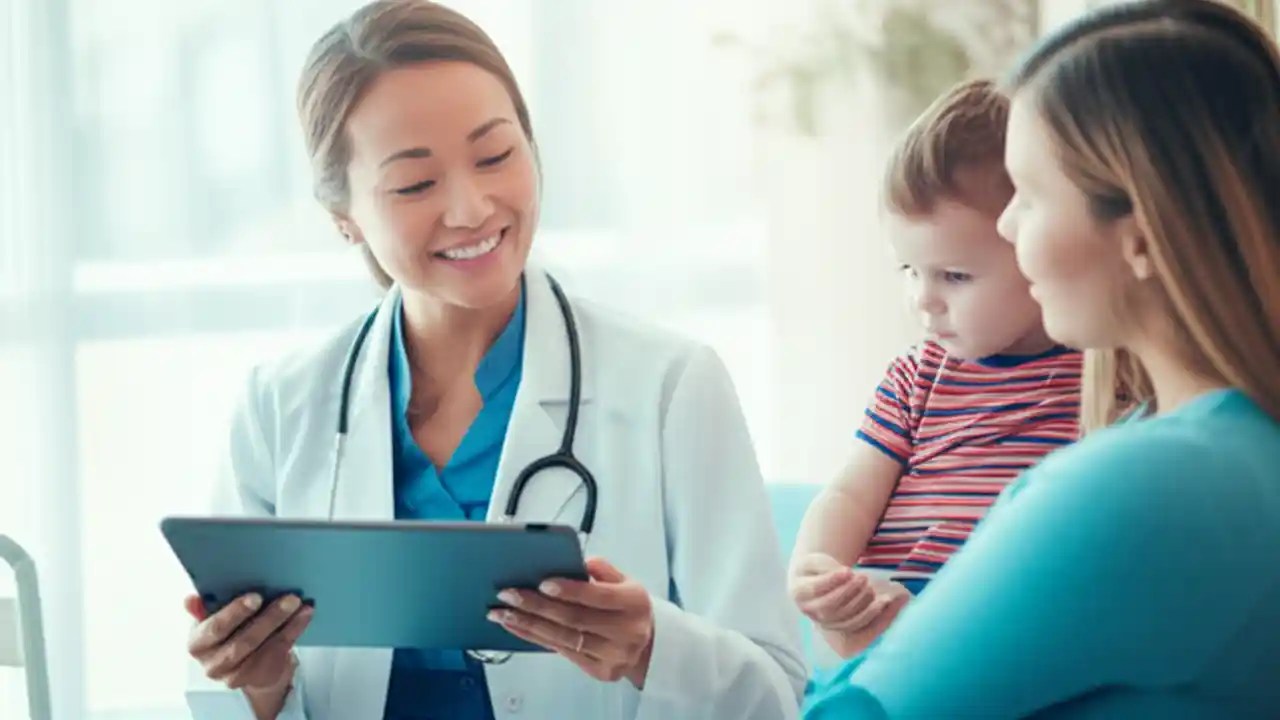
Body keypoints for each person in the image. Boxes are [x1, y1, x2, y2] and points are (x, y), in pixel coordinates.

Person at [180, 2, 806, 719]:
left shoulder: (669, 386)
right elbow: (222, 695)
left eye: (496, 155)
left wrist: (650, 649)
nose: (472, 207)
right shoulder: (279, 408)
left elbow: (776, 696)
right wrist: (259, 685)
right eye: (415, 184)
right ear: (342, 215)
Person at [805, 1, 1280, 717]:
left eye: (1027, 195)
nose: (1004, 225)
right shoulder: (1234, 449)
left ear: (1141, 234)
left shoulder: (1142, 485)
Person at [788, 79, 1081, 659]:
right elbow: (850, 493)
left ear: (1036, 245)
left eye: (954, 276)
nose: (924, 299)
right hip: (882, 622)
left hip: (994, 634)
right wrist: (815, 569)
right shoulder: (917, 377)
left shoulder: (1096, 379)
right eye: (908, 270)